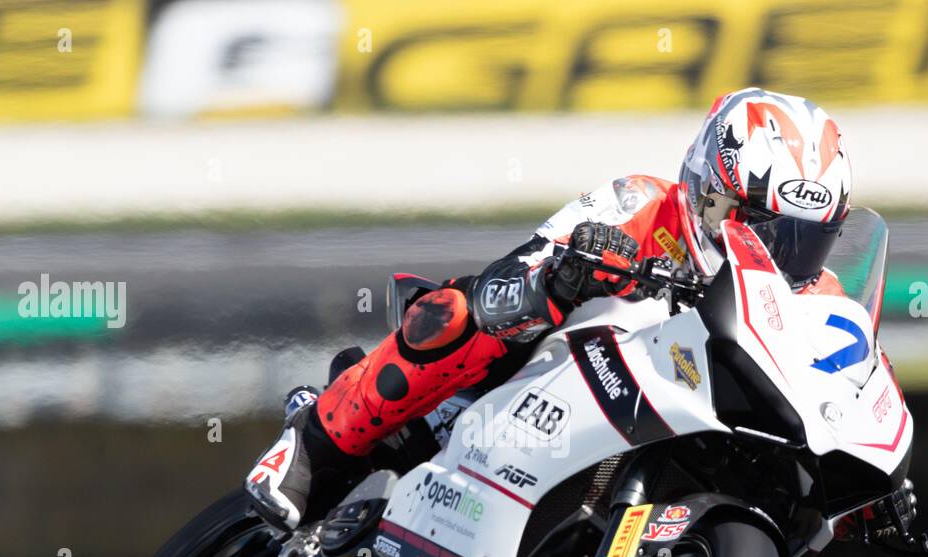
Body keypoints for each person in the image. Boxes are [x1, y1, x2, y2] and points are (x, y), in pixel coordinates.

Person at [244, 87, 853, 533]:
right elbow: (512, 278)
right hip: (534, 393)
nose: (777, 254)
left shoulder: (817, 296)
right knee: (459, 309)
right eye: (762, 228)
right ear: (710, 189)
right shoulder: (643, 203)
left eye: (804, 239)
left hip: (681, 429)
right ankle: (316, 442)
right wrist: (567, 274)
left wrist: (879, 485)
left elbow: (849, 386)